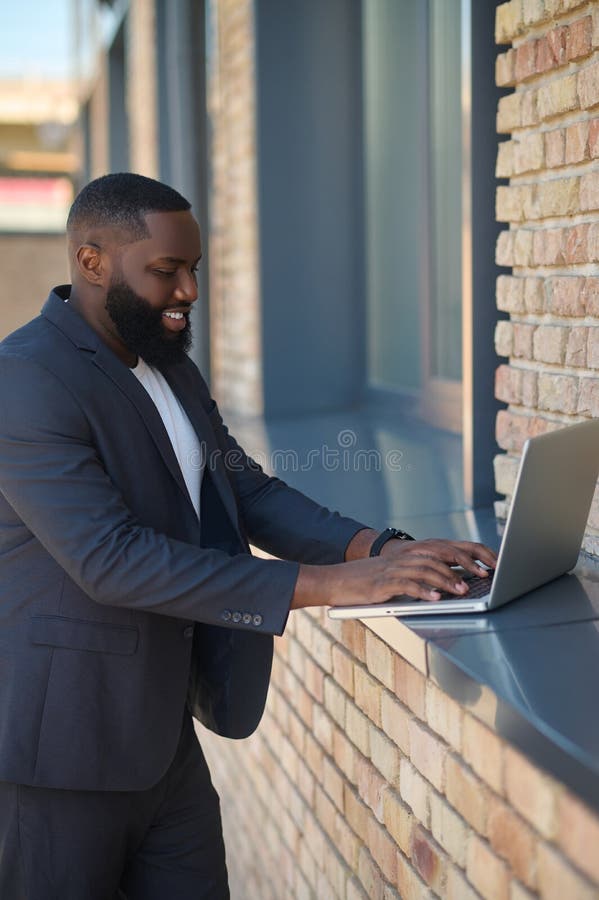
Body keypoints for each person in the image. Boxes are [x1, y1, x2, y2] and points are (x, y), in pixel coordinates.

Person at [0, 173, 496, 899]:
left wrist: (381, 549)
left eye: (194, 268)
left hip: (161, 741)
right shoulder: (25, 379)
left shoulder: (168, 366)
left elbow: (245, 489)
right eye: (166, 270)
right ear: (92, 262)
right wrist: (333, 586)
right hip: (60, 755)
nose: (189, 290)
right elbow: (110, 560)